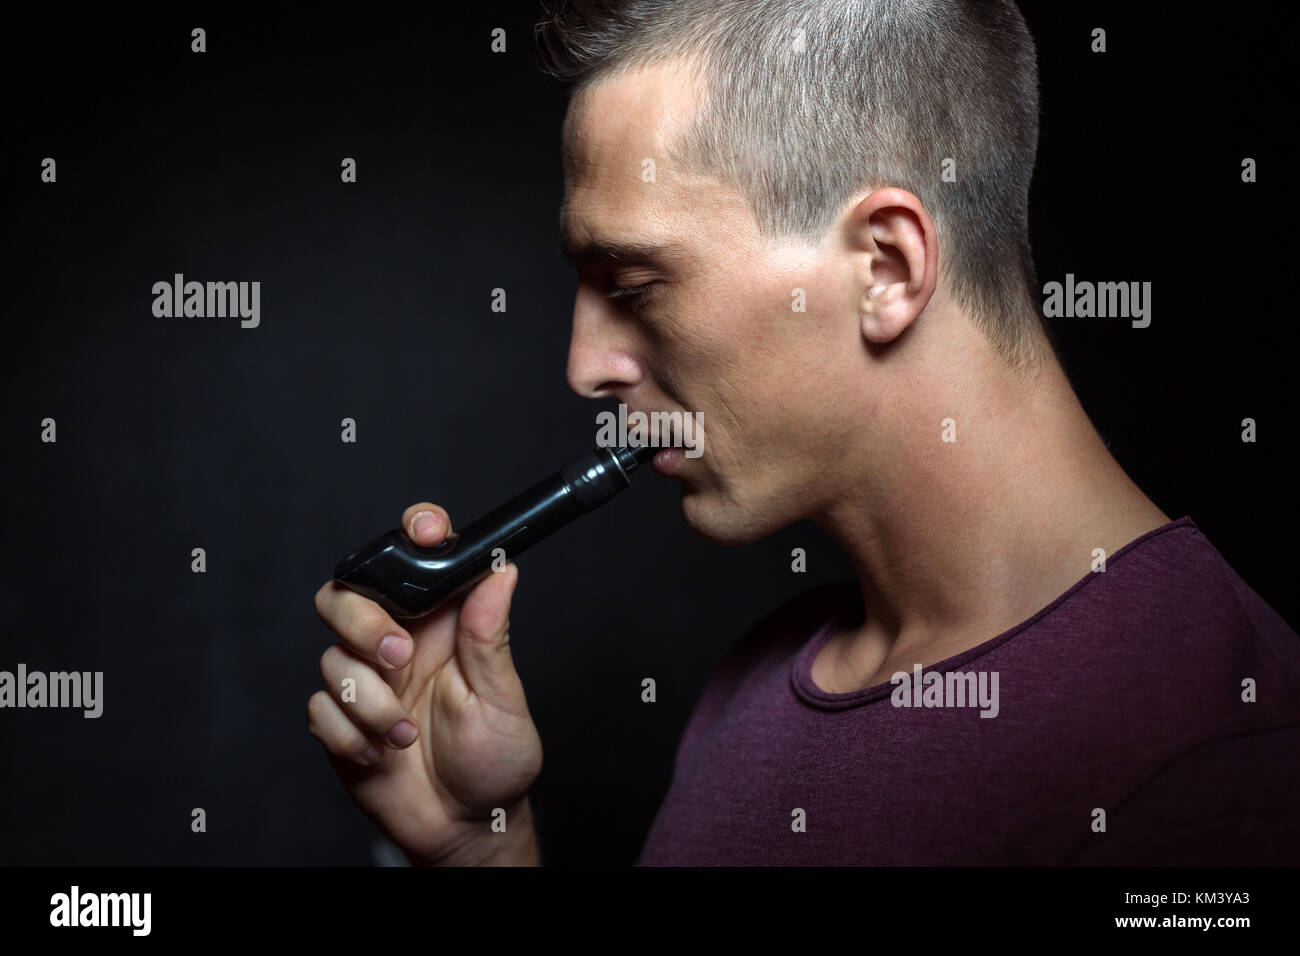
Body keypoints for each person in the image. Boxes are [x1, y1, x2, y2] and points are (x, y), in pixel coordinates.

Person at [308, 0, 1300, 865]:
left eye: (638, 284)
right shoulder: (767, 677)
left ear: (885, 265)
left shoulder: (1216, 758)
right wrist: (483, 848)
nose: (586, 367)